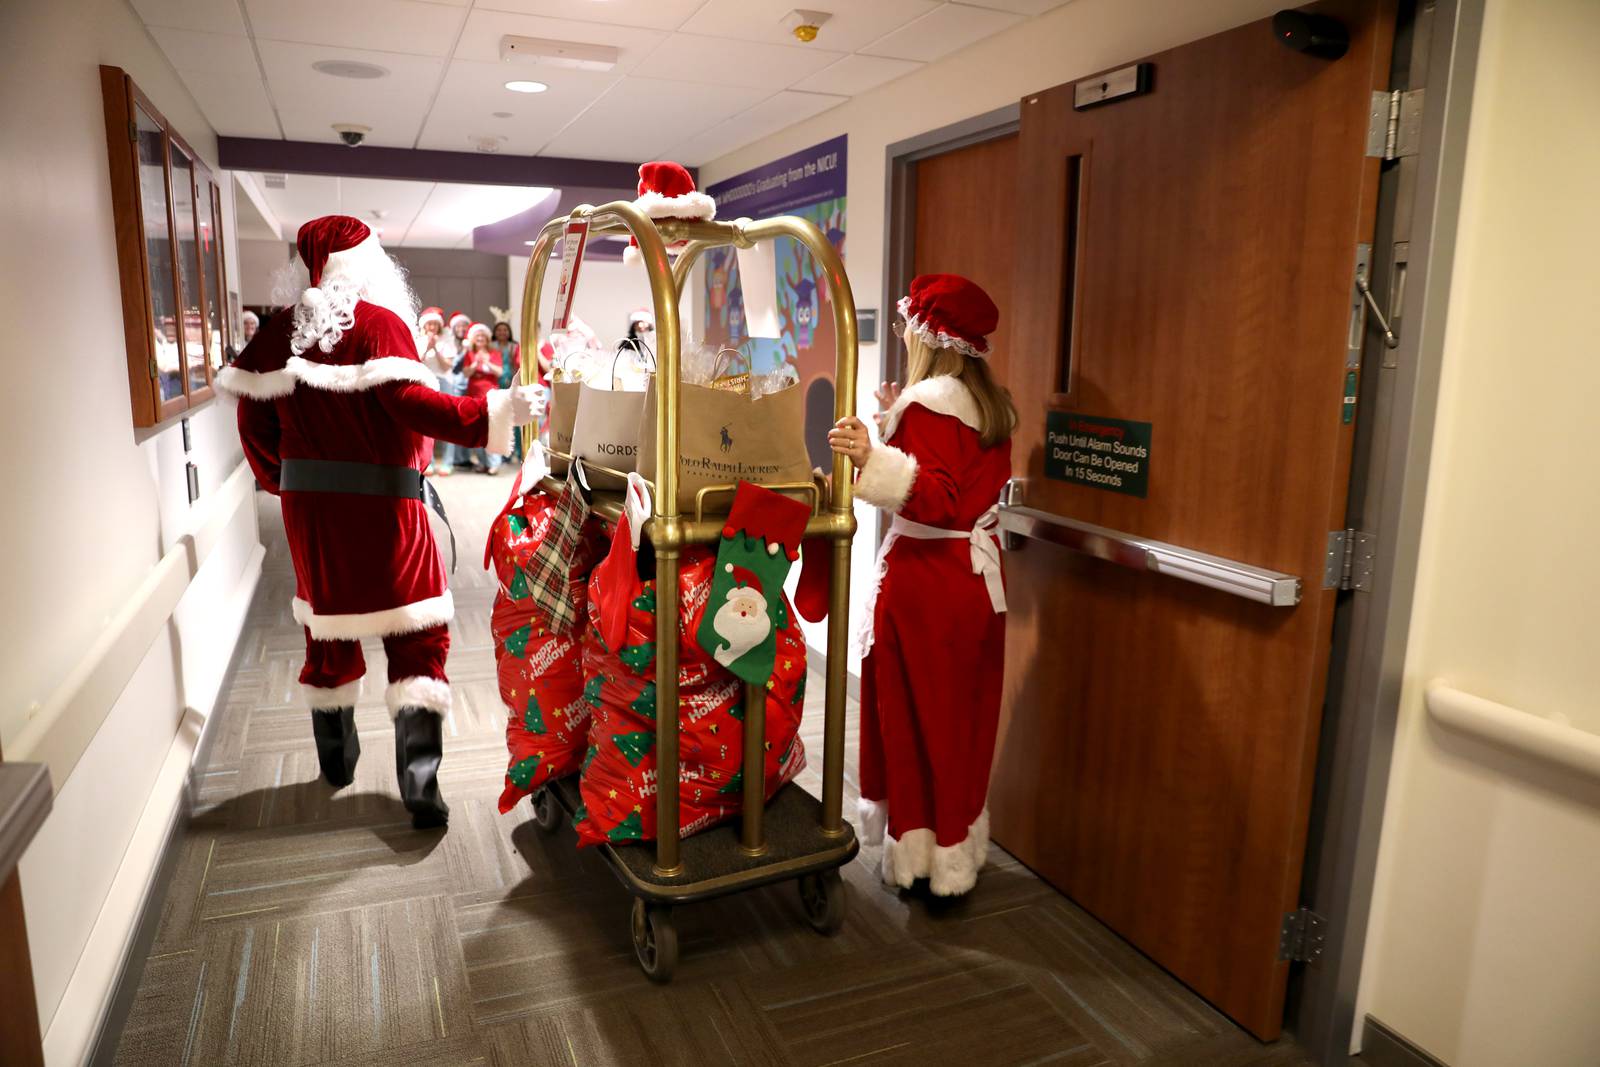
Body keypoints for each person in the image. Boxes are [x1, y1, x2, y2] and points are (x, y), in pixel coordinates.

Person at [218, 215, 538, 829]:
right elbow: (412, 404)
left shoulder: (281, 333)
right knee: (417, 636)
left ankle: (336, 763)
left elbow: (254, 427)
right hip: (388, 512)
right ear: (365, 262)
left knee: (328, 631)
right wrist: (495, 413)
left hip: (312, 518)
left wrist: (285, 485)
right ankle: (419, 786)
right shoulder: (380, 324)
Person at [827, 273, 1014, 896]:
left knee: (914, 717)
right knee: (962, 716)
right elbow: (961, 481)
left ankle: (926, 863)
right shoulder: (983, 401)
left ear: (931, 335)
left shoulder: (931, 399)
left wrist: (867, 458)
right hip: (973, 581)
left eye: (910, 323)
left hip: (928, 585)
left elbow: (936, 496)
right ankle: (957, 847)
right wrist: (892, 425)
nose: (904, 332)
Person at [417, 307, 457, 476]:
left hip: (444, 382)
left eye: (435, 324)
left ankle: (448, 462)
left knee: (448, 421)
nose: (432, 327)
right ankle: (428, 462)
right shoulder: (417, 340)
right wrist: (427, 347)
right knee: (426, 423)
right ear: (424, 326)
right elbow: (415, 361)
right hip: (425, 381)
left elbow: (447, 365)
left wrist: (435, 349)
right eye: (429, 324)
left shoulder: (447, 341)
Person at [462, 321, 504, 473]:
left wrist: (486, 362)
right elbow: (466, 373)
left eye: (482, 336)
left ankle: (494, 463)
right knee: (478, 428)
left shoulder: (494, 354)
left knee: (492, 429)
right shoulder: (470, 354)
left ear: (487, 339)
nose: (480, 338)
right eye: (477, 336)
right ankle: (483, 463)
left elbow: (499, 372)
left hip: (491, 396)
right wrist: (474, 364)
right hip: (474, 396)